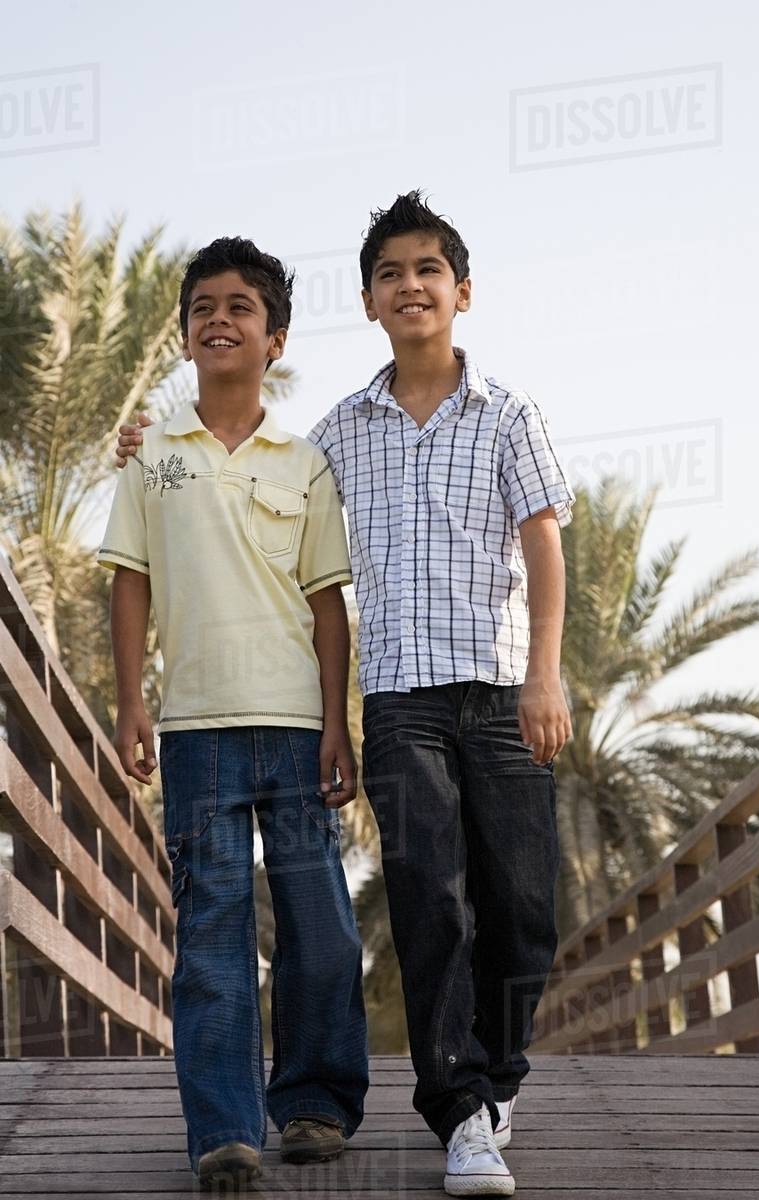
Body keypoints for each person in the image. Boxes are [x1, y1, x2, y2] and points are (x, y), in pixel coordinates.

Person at [114, 193, 574, 1197]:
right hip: (398, 703)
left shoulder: (507, 413)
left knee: (523, 905)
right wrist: (142, 446)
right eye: (388, 275)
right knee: (426, 904)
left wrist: (546, 671)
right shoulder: (332, 439)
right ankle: (455, 1110)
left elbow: (542, 541)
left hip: (498, 694)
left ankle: (491, 1078)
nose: (409, 287)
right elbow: (223, 508)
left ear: (460, 290)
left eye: (426, 271)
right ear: (366, 301)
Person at [99, 236, 368, 1189]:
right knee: (212, 932)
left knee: (319, 924)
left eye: (241, 308)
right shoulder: (152, 457)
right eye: (203, 307)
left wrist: (338, 723)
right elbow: (128, 581)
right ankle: (223, 1131)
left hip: (296, 724)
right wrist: (131, 700)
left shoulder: (308, 462)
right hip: (196, 731)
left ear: (276, 338)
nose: (221, 318)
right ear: (183, 338)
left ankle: (314, 1107)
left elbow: (329, 600)